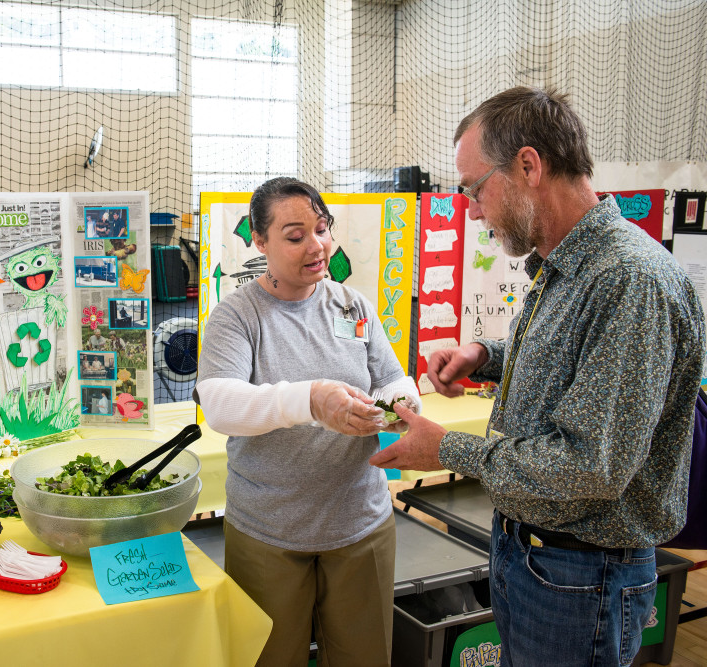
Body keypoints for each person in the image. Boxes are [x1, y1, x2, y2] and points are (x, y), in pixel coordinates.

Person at [369, 87, 706, 666]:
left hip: (583, 574)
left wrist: (448, 450)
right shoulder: (567, 264)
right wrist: (485, 354)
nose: (472, 209)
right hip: (535, 555)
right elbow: (571, 363)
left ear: (529, 165)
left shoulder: (629, 281)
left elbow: (590, 465)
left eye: (475, 188)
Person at [195, 176, 421, 666]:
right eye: (295, 236)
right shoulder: (238, 316)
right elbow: (219, 403)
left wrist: (398, 405)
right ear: (260, 240)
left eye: (323, 229)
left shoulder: (352, 304)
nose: (316, 246)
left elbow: (393, 378)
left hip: (361, 525)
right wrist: (312, 401)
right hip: (268, 533)